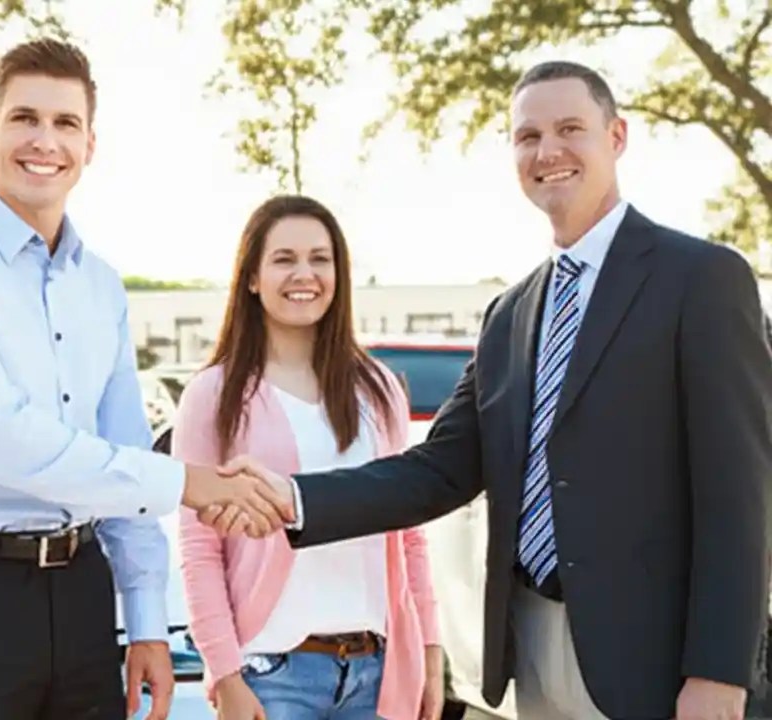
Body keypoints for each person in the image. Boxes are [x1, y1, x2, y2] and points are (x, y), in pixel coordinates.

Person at [210, 61, 772, 719]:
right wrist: (293, 497)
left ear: (616, 136)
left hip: (656, 663)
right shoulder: (511, 314)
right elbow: (438, 470)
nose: (548, 151)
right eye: (528, 136)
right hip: (529, 648)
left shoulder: (701, 279)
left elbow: (742, 496)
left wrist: (719, 672)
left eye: (570, 129)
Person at [0, 38, 291, 720]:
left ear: (91, 145)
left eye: (66, 124)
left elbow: (119, 443)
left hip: (83, 596)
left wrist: (147, 619)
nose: (45, 141)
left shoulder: (100, 286)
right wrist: (191, 483)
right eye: (24, 118)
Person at [172, 195, 446, 720]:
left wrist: (430, 648)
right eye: (284, 259)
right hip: (272, 677)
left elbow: (408, 533)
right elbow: (198, 547)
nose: (305, 274)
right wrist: (225, 673)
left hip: (377, 672)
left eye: (320, 259)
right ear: (252, 277)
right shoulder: (214, 394)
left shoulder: (379, 388)